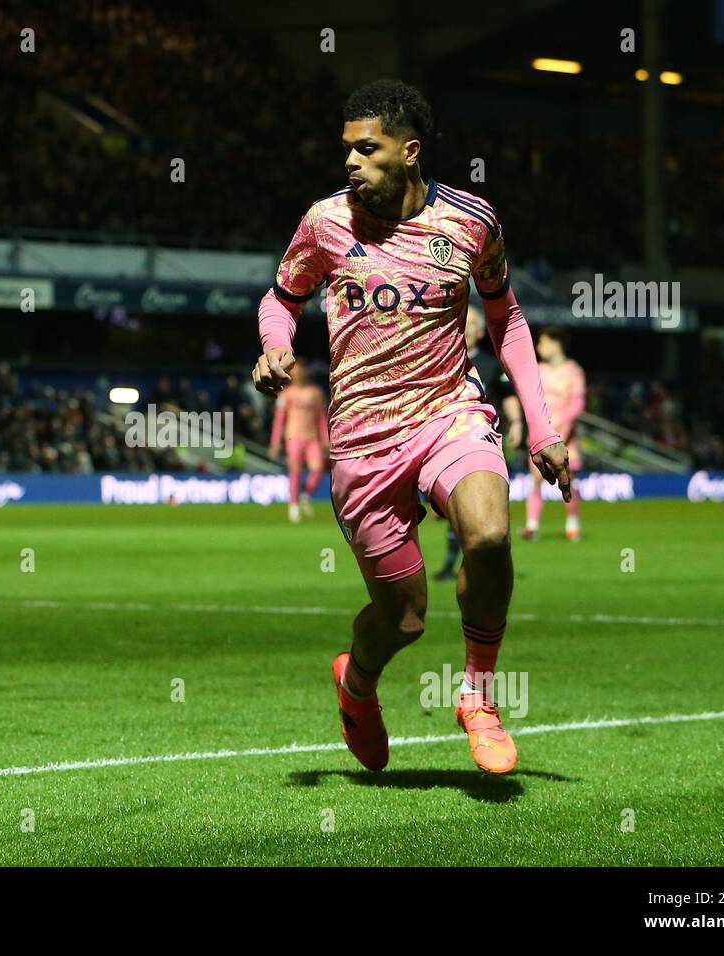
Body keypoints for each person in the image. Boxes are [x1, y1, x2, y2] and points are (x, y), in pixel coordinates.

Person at [253, 79, 569, 774]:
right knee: (403, 620)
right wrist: (275, 344)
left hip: (448, 413)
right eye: (347, 150)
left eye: (367, 149)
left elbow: (506, 318)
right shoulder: (325, 222)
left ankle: (478, 696)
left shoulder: (471, 220)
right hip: (363, 441)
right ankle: (356, 686)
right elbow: (281, 299)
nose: (351, 162)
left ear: (409, 151)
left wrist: (541, 430)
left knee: (487, 535)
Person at [433, 302, 520, 581]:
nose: (467, 329)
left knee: (475, 506)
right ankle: (463, 562)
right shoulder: (435, 359)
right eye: (464, 322)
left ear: (481, 332)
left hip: (482, 441)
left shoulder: (492, 365)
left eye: (472, 325)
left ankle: (471, 563)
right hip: (440, 440)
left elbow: (508, 396)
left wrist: (517, 423)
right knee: (454, 509)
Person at [522, 327, 585, 541]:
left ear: (556, 344)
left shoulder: (573, 371)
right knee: (536, 479)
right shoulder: (538, 369)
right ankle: (531, 525)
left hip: (565, 435)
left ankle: (572, 523)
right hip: (541, 433)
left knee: (567, 479)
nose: (539, 347)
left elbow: (577, 403)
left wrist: (563, 427)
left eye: (543, 342)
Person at [268, 363, 329, 522]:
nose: (297, 375)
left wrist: (325, 438)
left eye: (300, 371)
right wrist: (275, 443)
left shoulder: (315, 393)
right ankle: (293, 506)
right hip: (293, 437)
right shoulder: (286, 394)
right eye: (295, 372)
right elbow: (279, 420)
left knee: (318, 468)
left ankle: (305, 494)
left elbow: (321, 418)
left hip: (312, 438)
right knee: (295, 472)